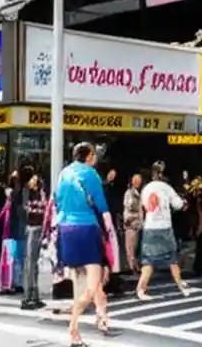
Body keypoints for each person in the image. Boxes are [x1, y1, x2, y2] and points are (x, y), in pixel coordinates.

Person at [55, 142, 119, 346]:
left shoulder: (63, 173)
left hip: (66, 230)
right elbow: (101, 205)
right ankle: (73, 328)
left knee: (83, 280)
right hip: (86, 229)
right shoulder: (91, 175)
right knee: (92, 286)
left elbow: (57, 201)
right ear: (89, 156)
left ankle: (102, 318)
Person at [136, 161, 190, 299]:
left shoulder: (146, 189)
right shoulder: (166, 188)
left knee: (148, 261)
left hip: (150, 228)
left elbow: (143, 206)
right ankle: (180, 286)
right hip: (165, 227)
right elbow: (178, 205)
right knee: (172, 259)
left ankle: (141, 290)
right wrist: (184, 203)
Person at [21, 171, 48, 310]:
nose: (34, 181)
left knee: (34, 263)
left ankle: (34, 295)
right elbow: (31, 210)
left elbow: (42, 208)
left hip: (37, 228)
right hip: (32, 228)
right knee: (30, 263)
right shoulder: (26, 193)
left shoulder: (40, 193)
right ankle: (28, 296)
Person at [122, 172, 143, 274]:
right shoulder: (130, 193)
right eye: (135, 180)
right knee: (130, 245)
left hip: (137, 221)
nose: (137, 182)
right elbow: (130, 206)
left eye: (139, 180)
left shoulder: (138, 192)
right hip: (131, 220)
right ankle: (132, 265)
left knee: (135, 245)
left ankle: (134, 264)